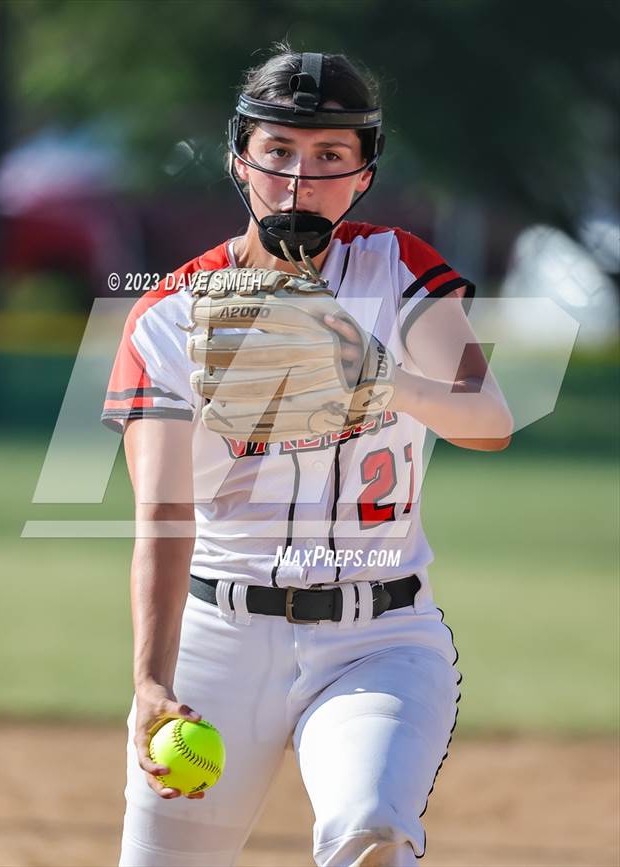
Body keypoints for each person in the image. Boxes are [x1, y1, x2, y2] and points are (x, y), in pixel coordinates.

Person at [102, 46, 513, 867]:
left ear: (364, 173)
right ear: (239, 159)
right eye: (279, 150)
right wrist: (150, 680)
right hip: (218, 639)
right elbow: (164, 515)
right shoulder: (169, 315)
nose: (299, 177)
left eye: (329, 154)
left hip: (380, 638)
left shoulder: (396, 268)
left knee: (370, 832)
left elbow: (488, 421)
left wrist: (383, 379)